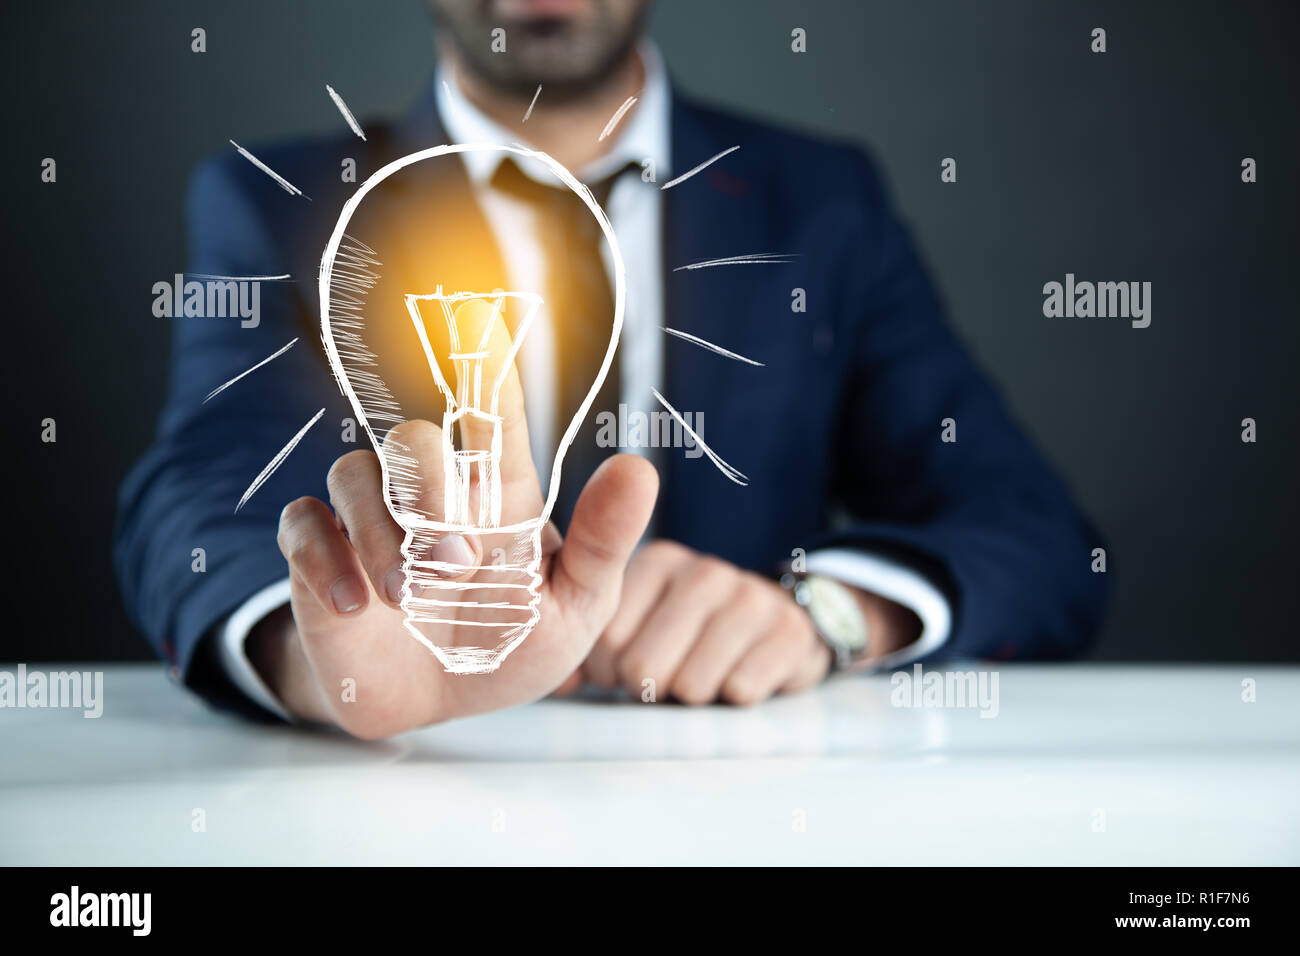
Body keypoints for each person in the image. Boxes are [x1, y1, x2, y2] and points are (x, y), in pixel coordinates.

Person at [115, 0, 1109, 738]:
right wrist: (311, 651)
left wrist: (834, 613)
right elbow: (194, 491)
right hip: (423, 807)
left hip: (747, 800)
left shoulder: (820, 205)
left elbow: (1032, 530)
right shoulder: (278, 203)